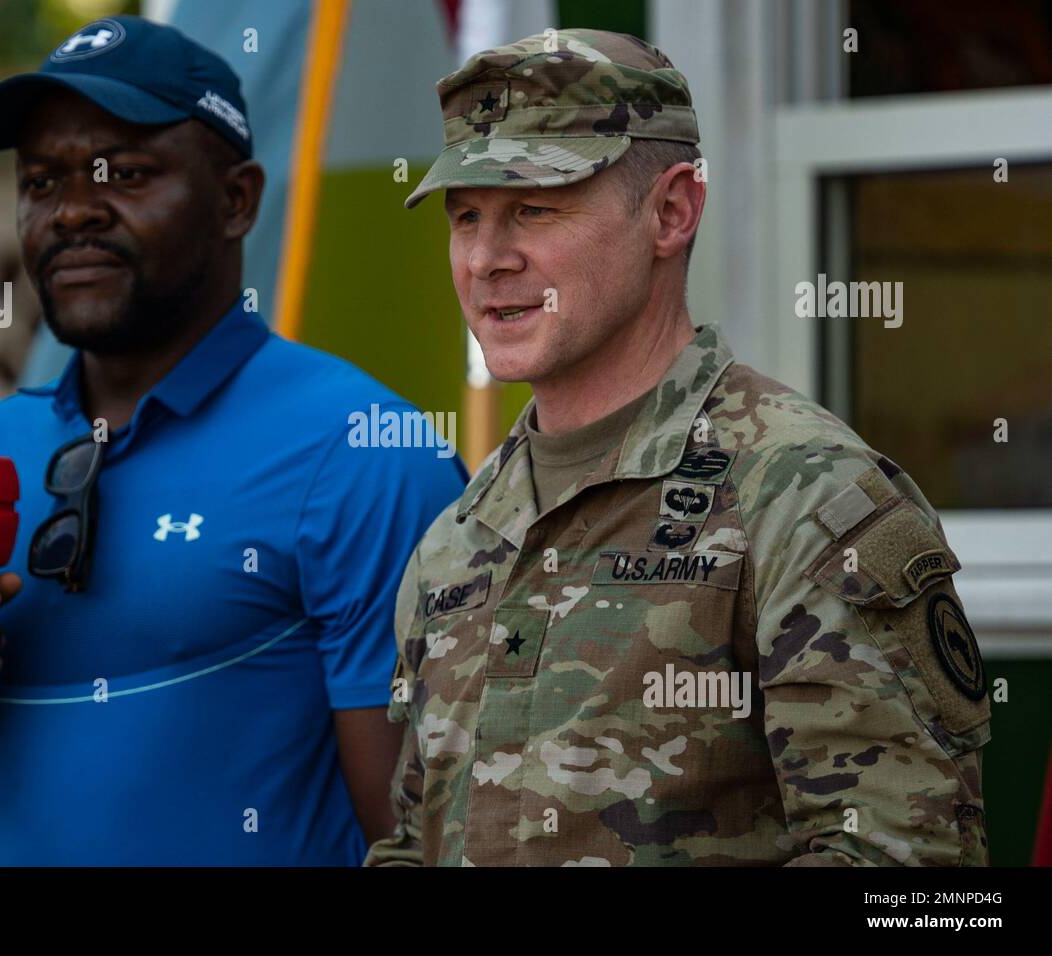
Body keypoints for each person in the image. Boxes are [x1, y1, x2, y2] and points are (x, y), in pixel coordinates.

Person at [365, 29, 990, 866]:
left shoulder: (806, 499)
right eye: (466, 216)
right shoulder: (458, 539)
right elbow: (414, 843)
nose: (486, 260)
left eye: (534, 209)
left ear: (671, 212)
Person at [0, 15, 467, 866]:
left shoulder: (366, 453)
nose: (74, 209)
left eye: (123, 173)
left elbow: (423, 842)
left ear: (237, 201)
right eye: (42, 182)